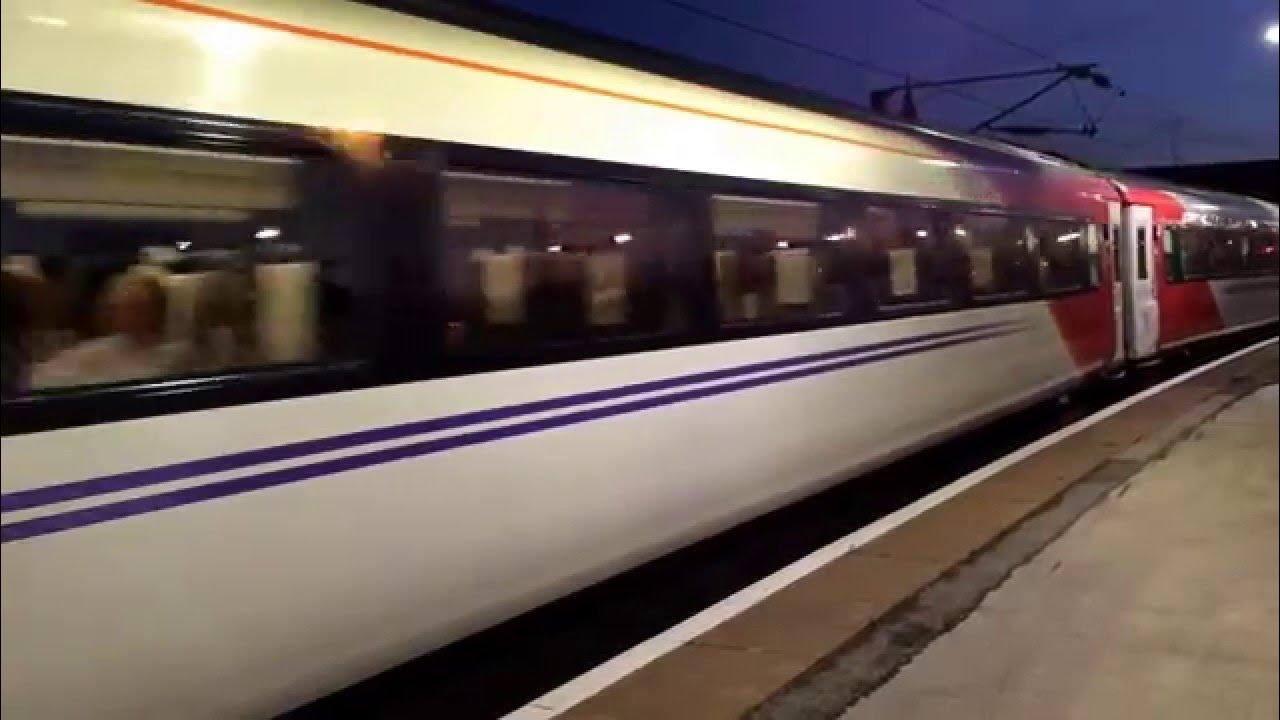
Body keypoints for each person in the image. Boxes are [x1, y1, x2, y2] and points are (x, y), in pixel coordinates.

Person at [33, 271, 188, 389]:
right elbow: (41, 378)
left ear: (156, 310)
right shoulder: (97, 351)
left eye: (136, 308)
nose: (124, 315)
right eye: (120, 308)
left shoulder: (178, 355)